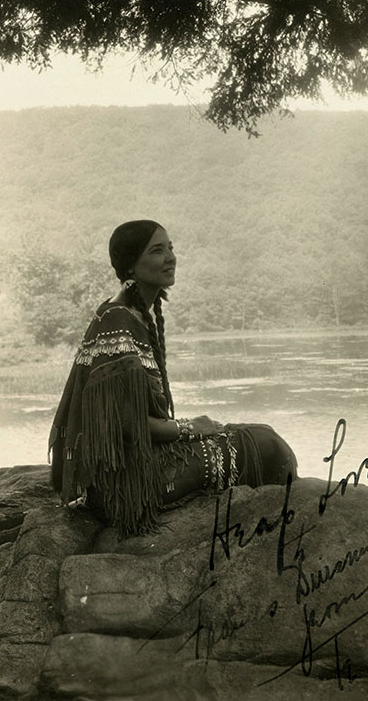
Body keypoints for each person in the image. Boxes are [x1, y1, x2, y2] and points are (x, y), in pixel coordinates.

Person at [49, 220, 297, 537]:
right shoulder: (119, 321)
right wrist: (189, 428)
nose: (170, 257)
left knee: (262, 435)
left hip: (131, 469)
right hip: (126, 485)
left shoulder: (129, 314)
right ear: (131, 266)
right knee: (263, 446)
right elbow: (125, 424)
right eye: (157, 250)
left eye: (171, 248)